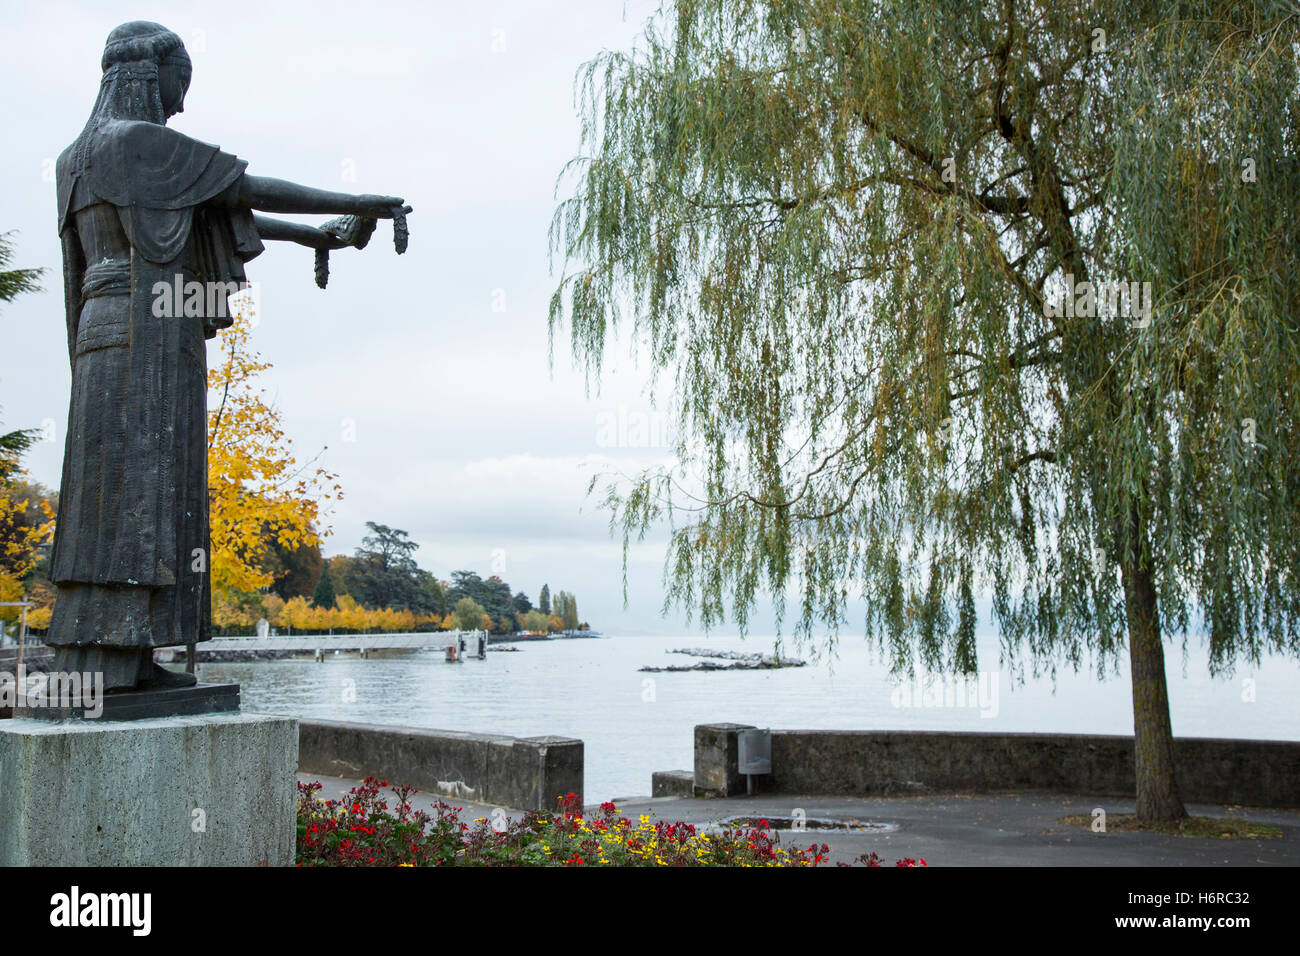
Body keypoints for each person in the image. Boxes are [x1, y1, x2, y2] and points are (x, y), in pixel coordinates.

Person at [49, 21, 410, 691]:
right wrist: (356, 201)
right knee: (148, 491)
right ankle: (121, 653)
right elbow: (244, 187)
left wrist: (311, 237)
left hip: (98, 337)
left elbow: (203, 207)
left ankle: (113, 655)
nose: (180, 103)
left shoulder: (75, 158)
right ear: (148, 76)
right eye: (177, 84)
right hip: (149, 337)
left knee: (102, 494)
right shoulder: (137, 141)